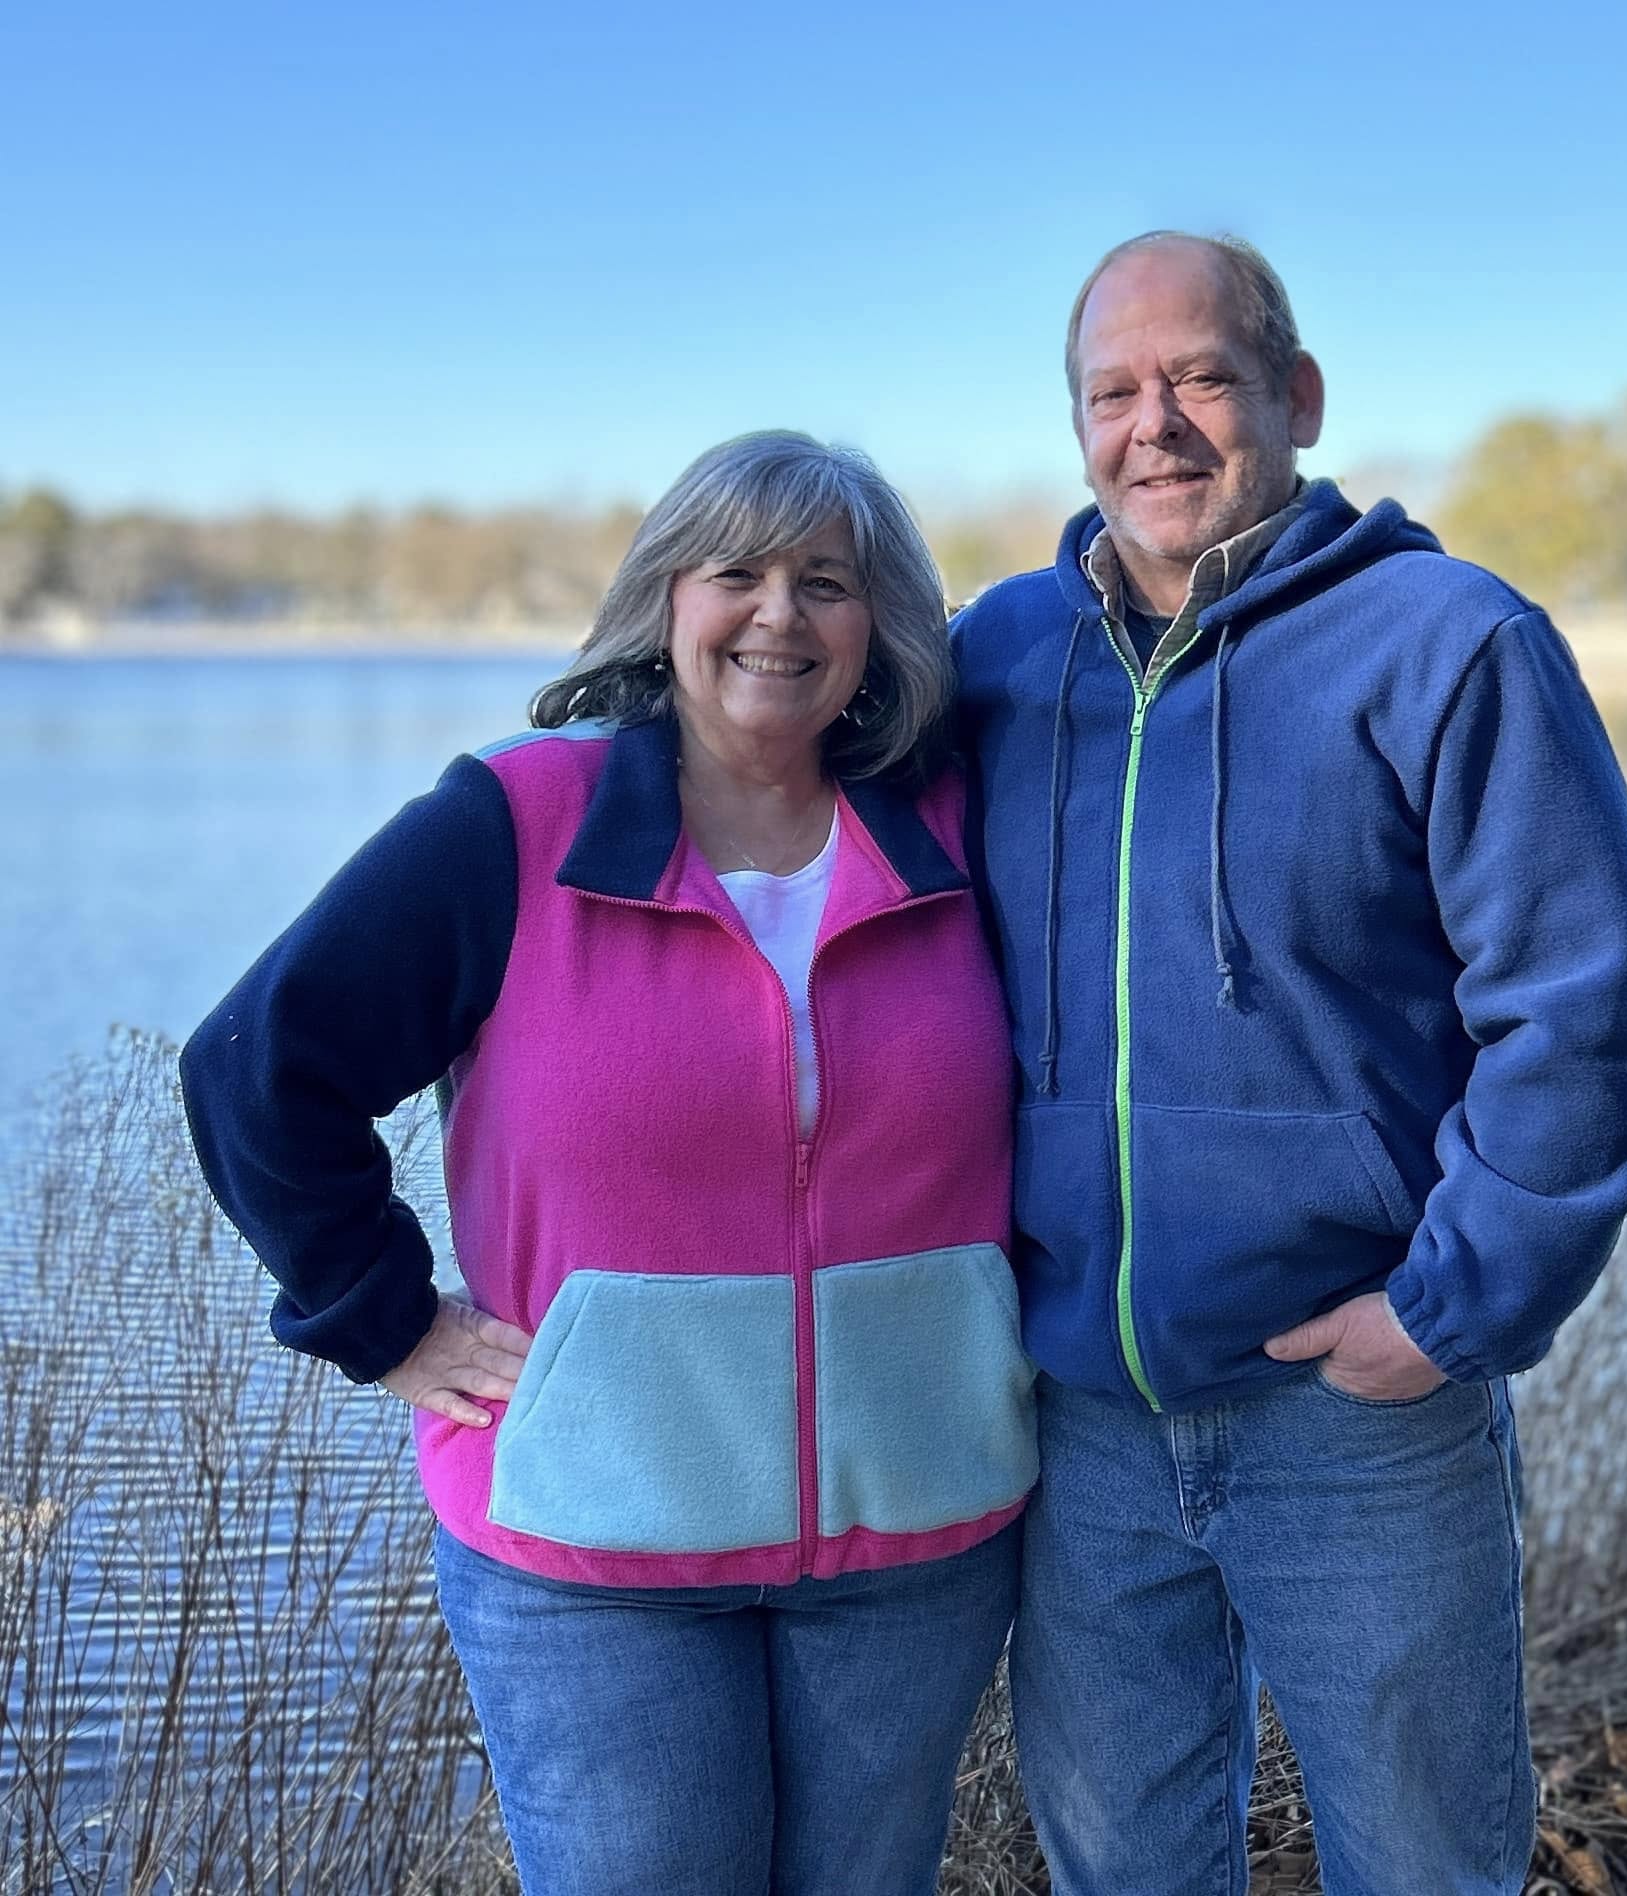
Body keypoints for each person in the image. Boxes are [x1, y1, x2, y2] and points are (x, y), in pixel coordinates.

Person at [180, 431, 1037, 1896]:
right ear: (666, 603)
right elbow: (259, 1067)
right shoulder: (516, 821)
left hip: (916, 1546)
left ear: (878, 626)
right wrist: (384, 1321)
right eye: (738, 575)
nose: (780, 616)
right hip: (594, 1552)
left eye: (826, 584)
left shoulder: (960, 828)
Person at [951, 233, 1627, 1895]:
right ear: (1076, 425)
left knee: (1427, 1868)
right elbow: (762, 731)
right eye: (1113, 392)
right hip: (1080, 1420)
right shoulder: (995, 659)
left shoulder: (1449, 644)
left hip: (1358, 1407)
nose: (1159, 427)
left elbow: (1585, 1018)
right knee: (1125, 1871)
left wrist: (1446, 1312)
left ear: (1297, 394)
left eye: (1202, 377)